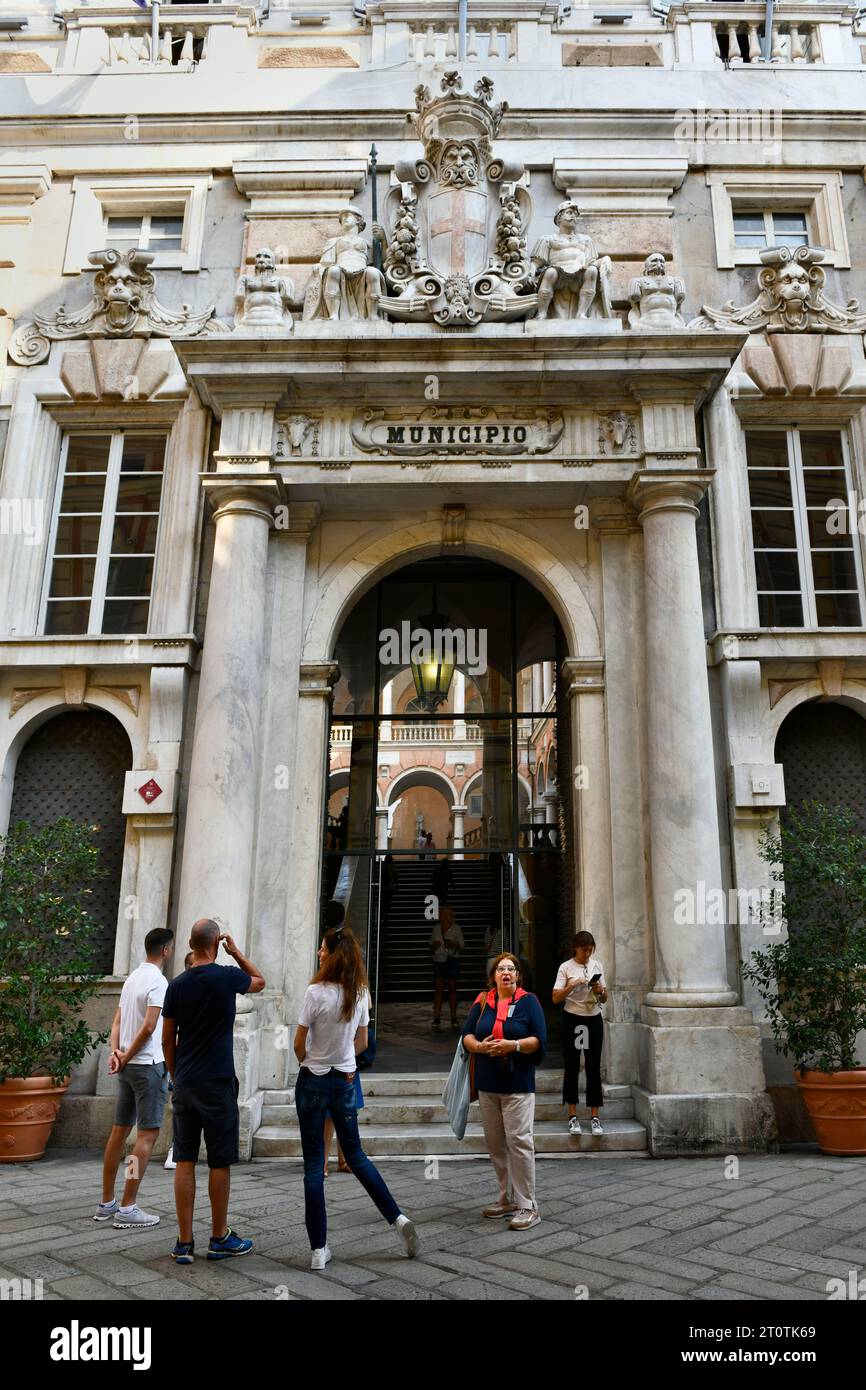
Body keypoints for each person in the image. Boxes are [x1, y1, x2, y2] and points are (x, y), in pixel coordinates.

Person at [293, 924, 419, 1270]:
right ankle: (397, 1218)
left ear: (332, 955)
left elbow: (298, 1043)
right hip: (345, 1080)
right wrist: (344, 1061)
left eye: (322, 948)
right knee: (357, 1155)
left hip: (313, 1081)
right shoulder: (360, 991)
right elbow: (363, 1043)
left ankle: (318, 1249)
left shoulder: (315, 992)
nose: (319, 952)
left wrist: (310, 1062)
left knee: (314, 1165)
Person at [161, 918, 266, 1264]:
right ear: (215, 944)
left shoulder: (176, 985)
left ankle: (184, 1242)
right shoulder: (227, 977)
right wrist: (236, 953)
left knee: (184, 1158)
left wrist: (177, 1075)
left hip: (187, 1082)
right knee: (220, 1161)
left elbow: (167, 1039)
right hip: (218, 1081)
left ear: (191, 944)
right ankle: (219, 1237)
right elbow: (260, 982)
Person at [94, 927, 174, 1227]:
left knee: (118, 1132)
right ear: (165, 950)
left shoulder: (132, 978)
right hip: (146, 1065)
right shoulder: (158, 981)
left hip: (127, 1065)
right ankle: (128, 1206)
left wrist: (116, 1053)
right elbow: (151, 1027)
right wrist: (125, 1055)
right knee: (146, 1136)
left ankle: (106, 1202)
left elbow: (116, 1022)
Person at [461, 954, 547, 1230]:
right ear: (494, 976)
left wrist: (514, 1046)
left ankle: (528, 1205)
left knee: (520, 1143)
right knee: (496, 1145)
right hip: (488, 1085)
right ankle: (506, 1198)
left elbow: (539, 1040)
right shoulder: (483, 1001)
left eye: (511, 969)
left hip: (518, 1085)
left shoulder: (529, 1002)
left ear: (518, 975)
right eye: (501, 969)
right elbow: (466, 1035)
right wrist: (479, 1047)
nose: (506, 973)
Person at [552, 930, 607, 1136]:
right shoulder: (565, 967)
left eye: (590, 950)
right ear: (575, 948)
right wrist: (572, 984)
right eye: (584, 950)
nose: (587, 954)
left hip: (593, 1018)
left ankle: (594, 1116)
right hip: (573, 1018)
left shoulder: (597, 965)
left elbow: (605, 998)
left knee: (593, 1067)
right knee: (573, 1065)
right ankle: (572, 1115)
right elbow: (555, 998)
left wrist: (600, 989)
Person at [430, 904, 464, 1030]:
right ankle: (437, 1017)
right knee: (438, 989)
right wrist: (435, 945)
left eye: (449, 915)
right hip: (439, 960)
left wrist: (454, 944)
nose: (446, 917)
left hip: (452, 961)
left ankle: (454, 1017)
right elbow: (430, 946)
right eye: (444, 915)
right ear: (440, 916)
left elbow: (462, 944)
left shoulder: (457, 929)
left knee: (452, 988)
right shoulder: (436, 929)